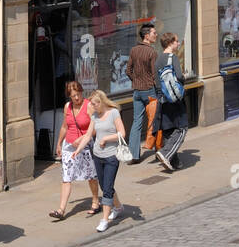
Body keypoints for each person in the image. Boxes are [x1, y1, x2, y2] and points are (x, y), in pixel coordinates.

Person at [70, 89, 126, 232]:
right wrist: (78, 150)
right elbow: (88, 135)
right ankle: (118, 207)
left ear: (101, 102)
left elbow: (122, 134)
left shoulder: (113, 113)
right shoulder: (95, 116)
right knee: (104, 185)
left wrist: (107, 138)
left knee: (106, 189)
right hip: (98, 156)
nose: (92, 108)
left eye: (94, 104)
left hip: (111, 156)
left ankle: (104, 220)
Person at [50, 81, 101, 220]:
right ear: (69, 97)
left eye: (78, 94)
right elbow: (65, 127)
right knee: (66, 177)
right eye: (73, 96)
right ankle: (61, 210)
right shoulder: (68, 107)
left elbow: (95, 129)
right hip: (69, 146)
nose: (77, 98)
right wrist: (59, 143)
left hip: (86, 146)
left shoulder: (89, 106)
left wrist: (83, 137)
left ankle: (95, 201)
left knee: (91, 176)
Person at [154, 31, 187, 171]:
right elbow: (179, 76)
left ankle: (175, 162)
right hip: (175, 100)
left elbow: (156, 82)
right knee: (182, 128)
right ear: (170, 43)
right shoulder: (172, 57)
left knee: (168, 130)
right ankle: (165, 153)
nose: (178, 44)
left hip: (162, 99)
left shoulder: (158, 60)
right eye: (176, 41)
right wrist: (183, 78)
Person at [127, 21, 158, 163]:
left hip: (137, 91)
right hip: (150, 90)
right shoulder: (152, 52)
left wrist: (135, 81)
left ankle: (134, 155)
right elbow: (154, 74)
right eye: (154, 33)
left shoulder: (134, 50)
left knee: (136, 122)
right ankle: (159, 150)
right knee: (155, 120)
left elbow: (128, 70)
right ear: (146, 36)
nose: (156, 35)